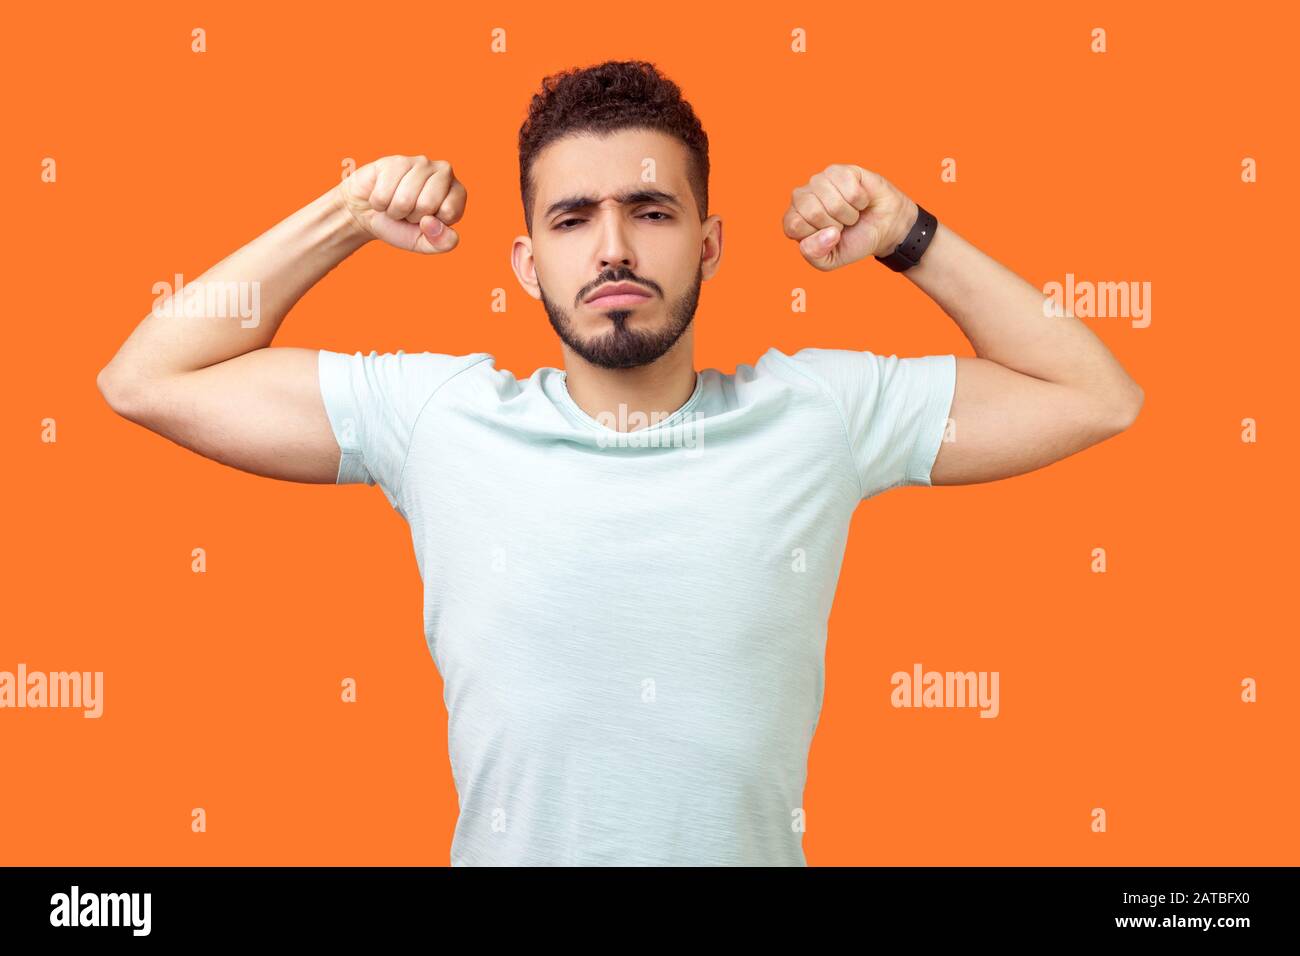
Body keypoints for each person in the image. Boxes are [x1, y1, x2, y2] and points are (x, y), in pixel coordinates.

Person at [96, 60, 1142, 865]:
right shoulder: (437, 417)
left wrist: (909, 232)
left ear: (709, 244)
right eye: (571, 218)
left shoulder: (818, 412)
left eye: (649, 212)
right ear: (527, 260)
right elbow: (146, 377)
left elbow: (1095, 396)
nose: (612, 249)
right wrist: (346, 216)